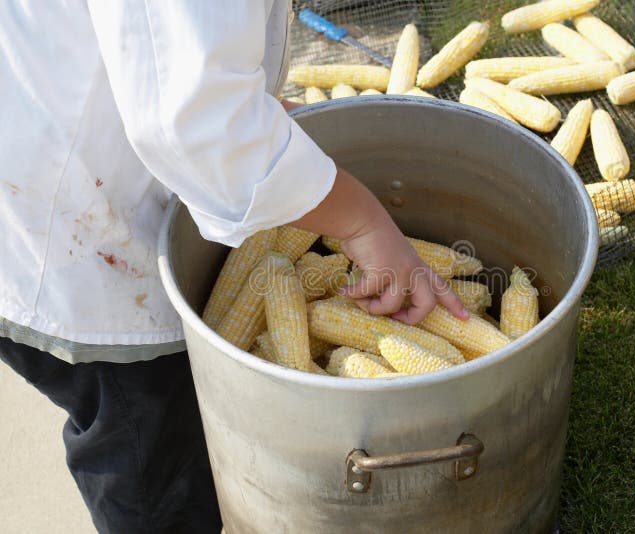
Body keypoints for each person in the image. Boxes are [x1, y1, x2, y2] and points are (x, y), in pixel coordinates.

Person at [0, 2, 468, 532]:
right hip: (63, 238)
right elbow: (198, 121)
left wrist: (262, 123)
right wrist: (363, 224)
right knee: (150, 458)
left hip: (63, 156)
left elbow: (184, 65)